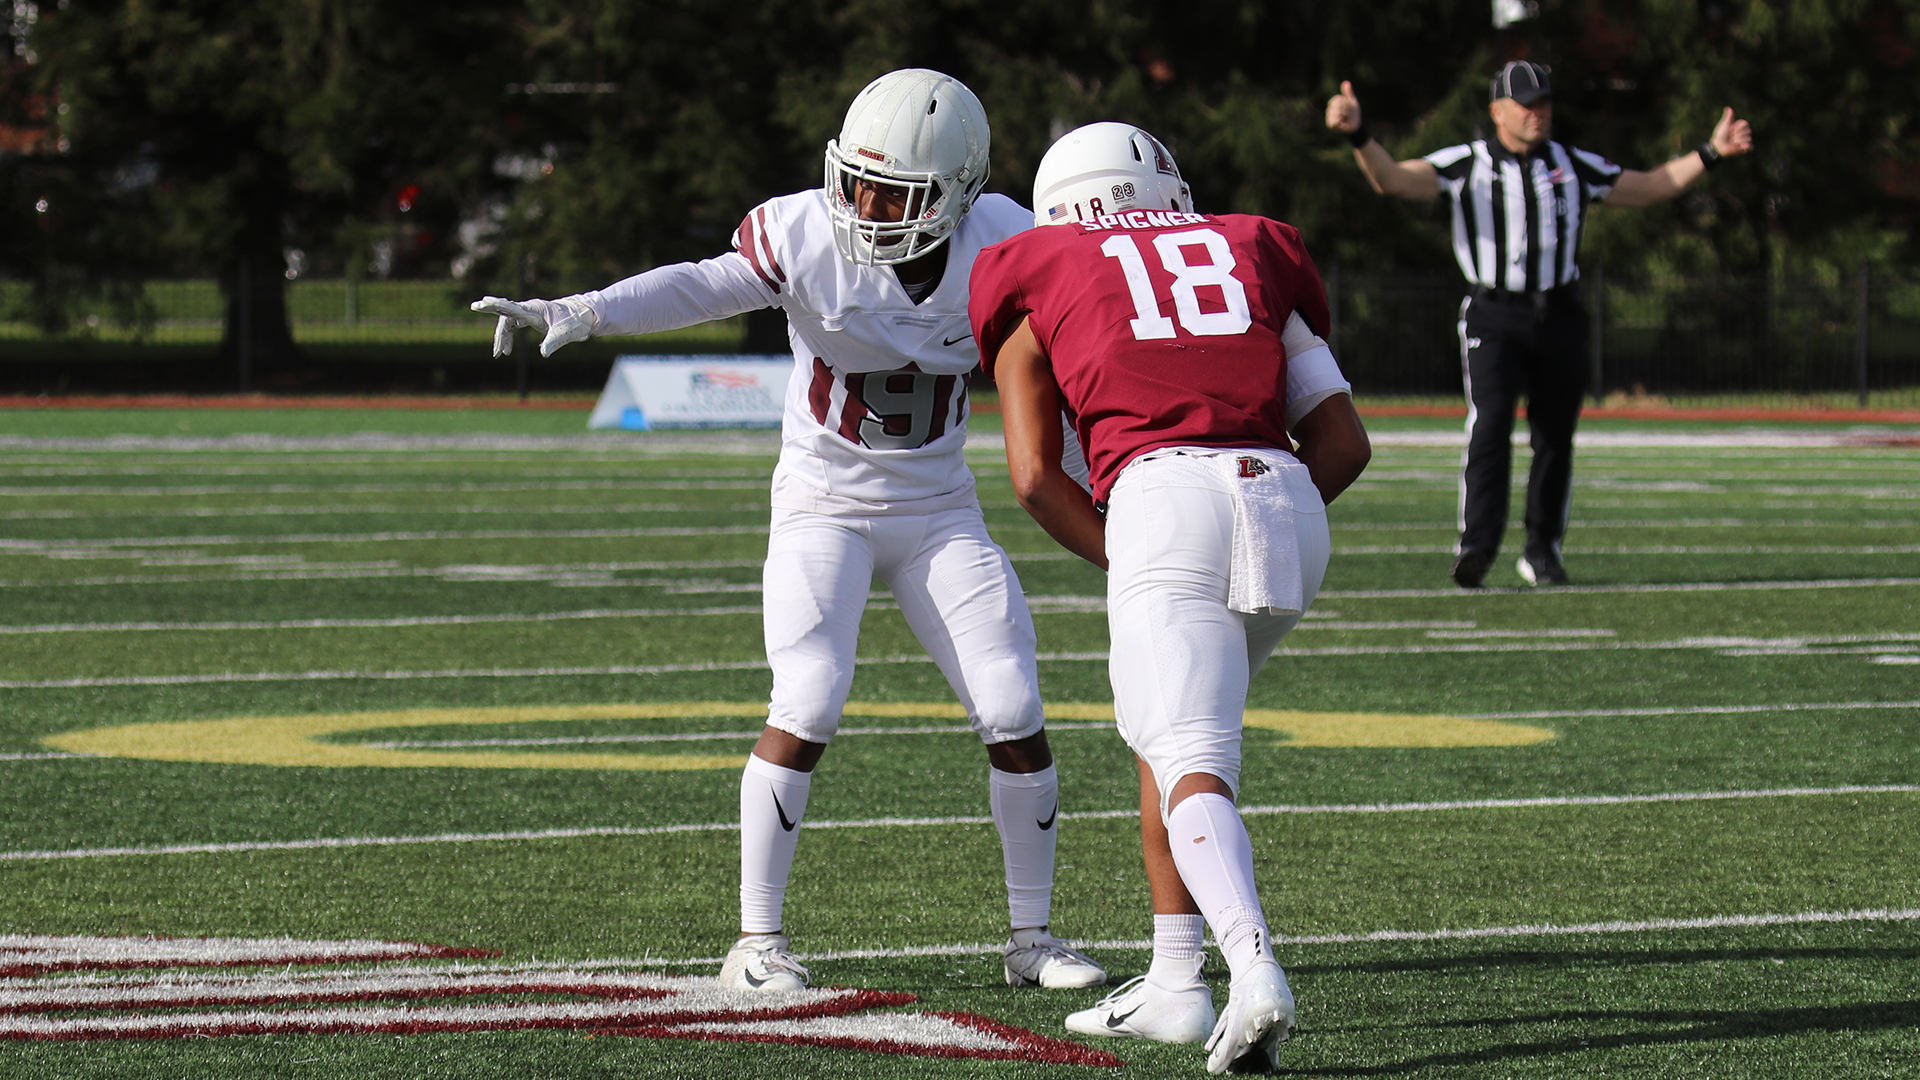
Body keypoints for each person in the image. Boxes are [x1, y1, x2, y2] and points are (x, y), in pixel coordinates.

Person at [472, 69, 1105, 995]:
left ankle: (1032, 940)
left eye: (895, 192)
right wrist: (584, 309)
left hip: (938, 509)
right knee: (807, 695)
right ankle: (755, 941)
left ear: (961, 193)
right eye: (856, 180)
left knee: (1012, 704)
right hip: (824, 504)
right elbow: (704, 285)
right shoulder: (808, 231)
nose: (864, 206)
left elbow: (1070, 383)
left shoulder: (1011, 243)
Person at [970, 122, 1371, 1074]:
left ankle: (1253, 972)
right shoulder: (1249, 247)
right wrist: (1264, 513)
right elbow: (1346, 442)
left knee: (1184, 749)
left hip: (1161, 497)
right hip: (1285, 498)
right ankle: (1175, 980)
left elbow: (1032, 477)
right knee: (1169, 736)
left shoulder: (1040, 265)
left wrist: (1135, 552)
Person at [1326, 60, 1753, 587]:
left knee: (1555, 436)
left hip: (1559, 312)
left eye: (1545, 102)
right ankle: (1476, 548)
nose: (1538, 112)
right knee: (1490, 426)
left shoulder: (1572, 164)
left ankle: (1542, 550)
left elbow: (1648, 187)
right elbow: (1391, 180)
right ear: (1497, 110)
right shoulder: (1468, 164)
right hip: (1494, 313)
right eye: (1526, 103)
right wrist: (1359, 134)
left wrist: (1711, 153)